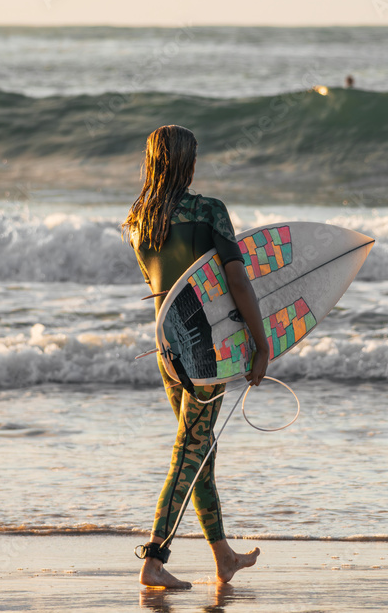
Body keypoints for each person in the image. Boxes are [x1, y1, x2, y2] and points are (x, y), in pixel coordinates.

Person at [123, 125, 268, 589]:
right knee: (190, 449)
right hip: (206, 347)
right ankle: (154, 557)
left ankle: (223, 556)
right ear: (185, 161)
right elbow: (237, 282)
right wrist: (261, 344)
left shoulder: (139, 219)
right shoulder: (209, 211)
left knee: (200, 449)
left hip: (167, 346)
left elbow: (162, 287)